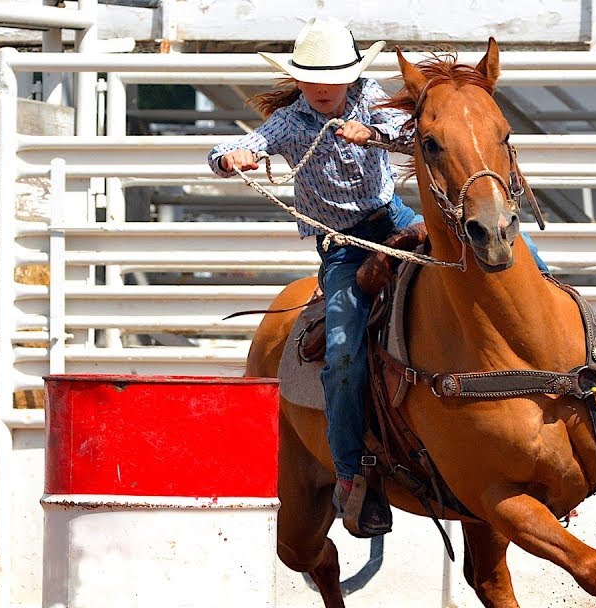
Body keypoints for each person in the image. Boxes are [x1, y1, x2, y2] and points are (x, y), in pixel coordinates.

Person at [208, 18, 549, 538]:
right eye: (311, 78)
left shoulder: (370, 99)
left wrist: (372, 131)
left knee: (525, 260)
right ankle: (350, 475)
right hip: (343, 246)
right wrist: (235, 157)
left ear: (351, 77)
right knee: (343, 351)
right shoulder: (289, 124)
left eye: (333, 76)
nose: (322, 87)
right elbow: (237, 147)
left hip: (396, 220)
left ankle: (554, 347)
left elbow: (418, 130)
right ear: (298, 81)